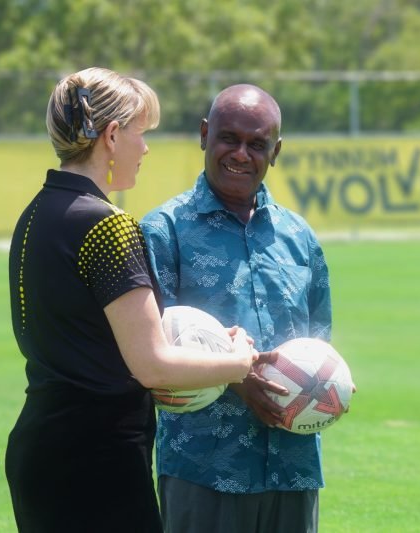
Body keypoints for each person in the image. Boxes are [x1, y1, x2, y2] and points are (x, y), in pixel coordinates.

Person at [5, 68, 262, 533]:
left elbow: (92, 335)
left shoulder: (36, 213)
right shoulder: (108, 226)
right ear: (113, 134)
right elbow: (152, 366)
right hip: (97, 463)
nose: (144, 149)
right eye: (141, 134)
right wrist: (239, 363)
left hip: (39, 450)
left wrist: (207, 344)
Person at [140, 84, 332, 533]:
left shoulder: (298, 237)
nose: (241, 154)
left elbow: (318, 338)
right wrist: (235, 377)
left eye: (257, 144)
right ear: (205, 134)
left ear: (276, 151)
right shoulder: (163, 231)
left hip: (294, 464)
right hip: (204, 467)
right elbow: (148, 352)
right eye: (229, 138)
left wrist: (329, 384)